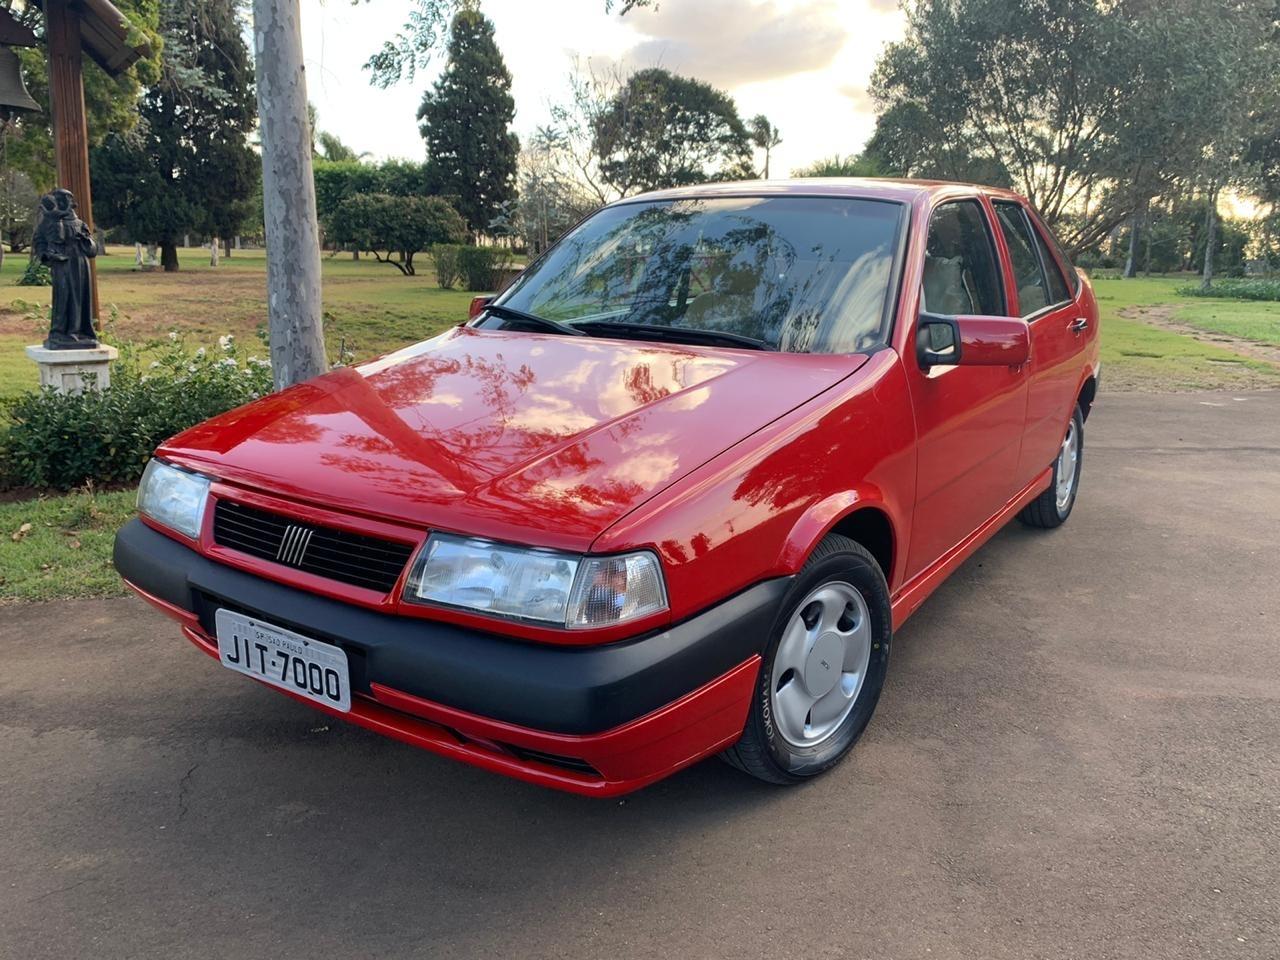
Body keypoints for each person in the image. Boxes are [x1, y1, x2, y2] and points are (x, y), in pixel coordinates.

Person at [35, 188, 97, 349]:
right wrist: (48, 256)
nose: (63, 204)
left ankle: (80, 331)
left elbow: (92, 251)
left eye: (66, 200)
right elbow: (39, 243)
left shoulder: (80, 224)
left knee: (81, 297)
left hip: (80, 266)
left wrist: (86, 241)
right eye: (60, 200)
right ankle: (60, 332)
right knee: (64, 297)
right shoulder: (48, 222)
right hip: (61, 265)